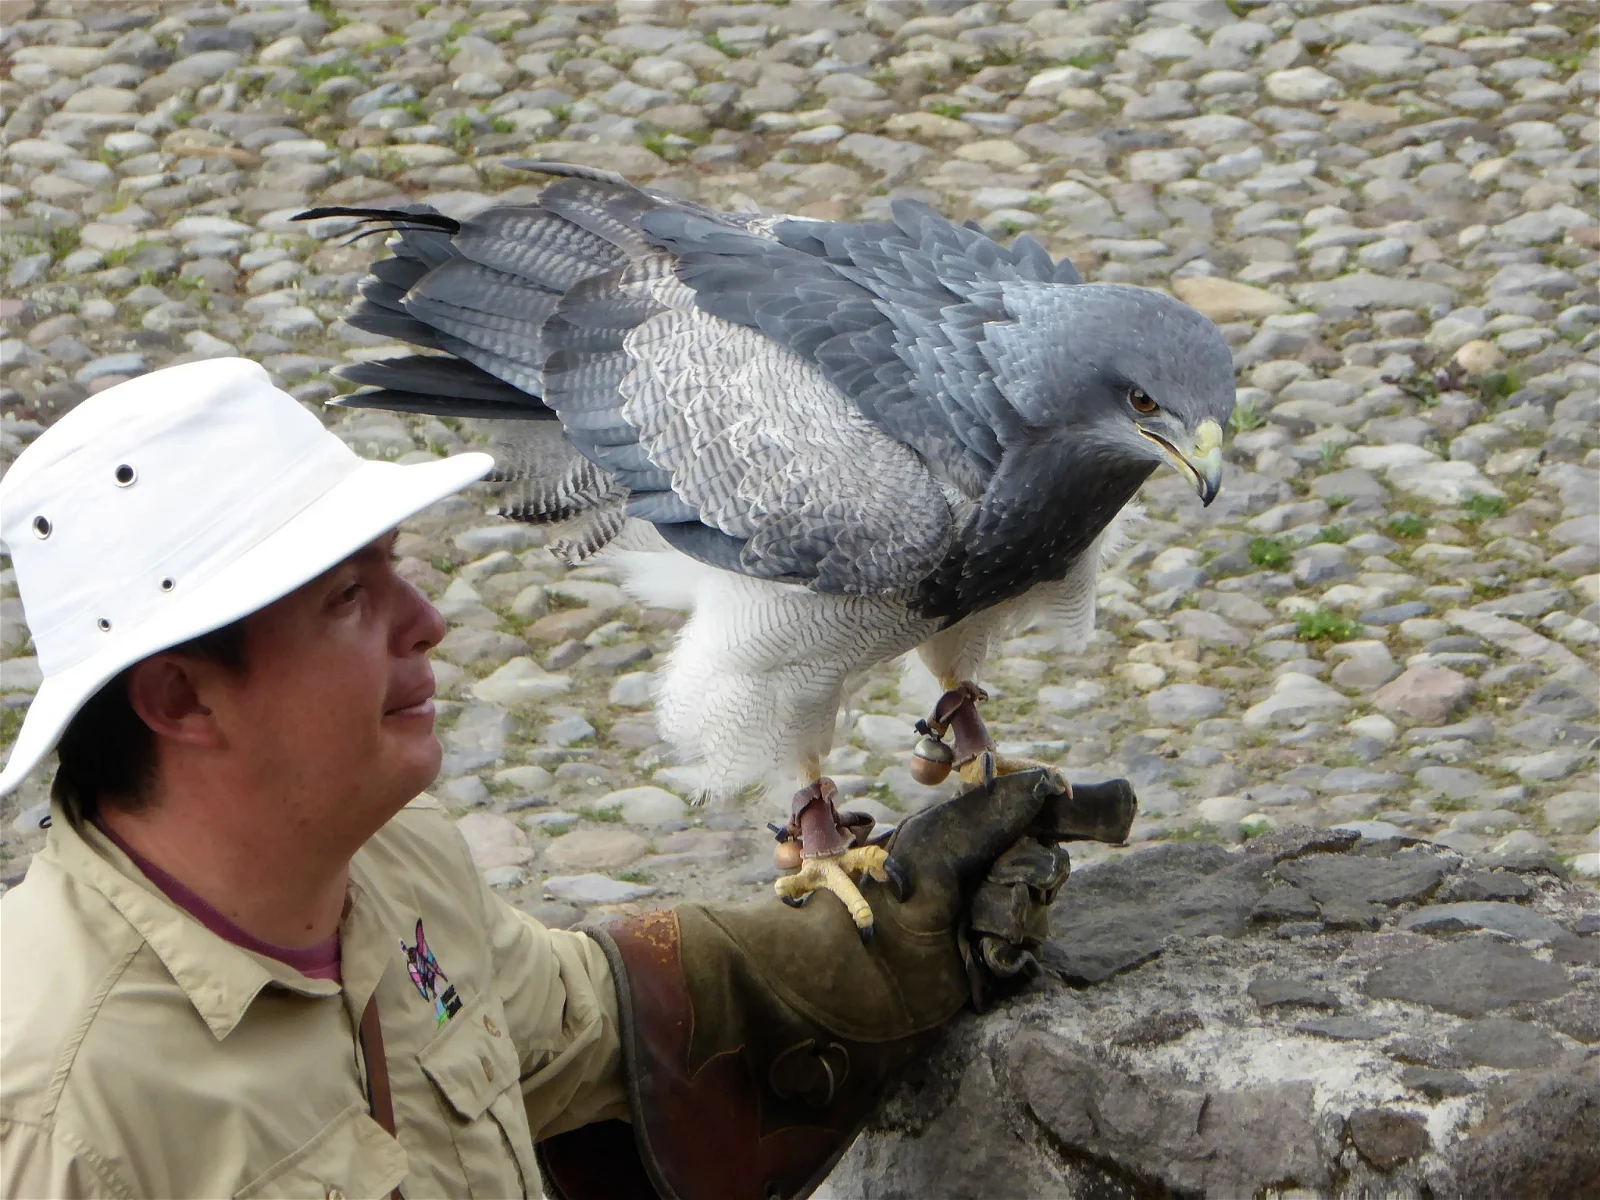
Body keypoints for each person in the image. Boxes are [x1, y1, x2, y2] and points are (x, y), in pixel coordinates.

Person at [0, 359, 1085, 1199]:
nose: (427, 621)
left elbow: (577, 1019)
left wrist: (894, 933)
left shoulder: (388, 859)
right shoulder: (58, 1114)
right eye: (346, 598)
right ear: (182, 701)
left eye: (394, 566)